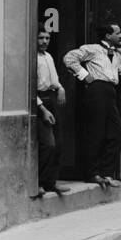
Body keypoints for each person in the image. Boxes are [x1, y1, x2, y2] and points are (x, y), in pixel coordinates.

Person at [63, 22, 121, 187]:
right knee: (96, 133)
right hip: (96, 91)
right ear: (108, 35)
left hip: (110, 92)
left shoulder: (116, 54)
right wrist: (84, 75)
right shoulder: (93, 49)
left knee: (116, 134)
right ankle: (92, 174)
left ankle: (107, 173)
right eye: (118, 33)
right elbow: (69, 58)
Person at [34, 28, 67, 198]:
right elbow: (31, 88)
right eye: (41, 38)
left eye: (47, 38)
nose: (45, 41)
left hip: (52, 99)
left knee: (58, 144)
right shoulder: (32, 58)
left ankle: (51, 182)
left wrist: (60, 88)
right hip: (39, 103)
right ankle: (38, 183)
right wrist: (43, 109)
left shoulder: (48, 56)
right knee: (48, 144)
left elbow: (54, 80)